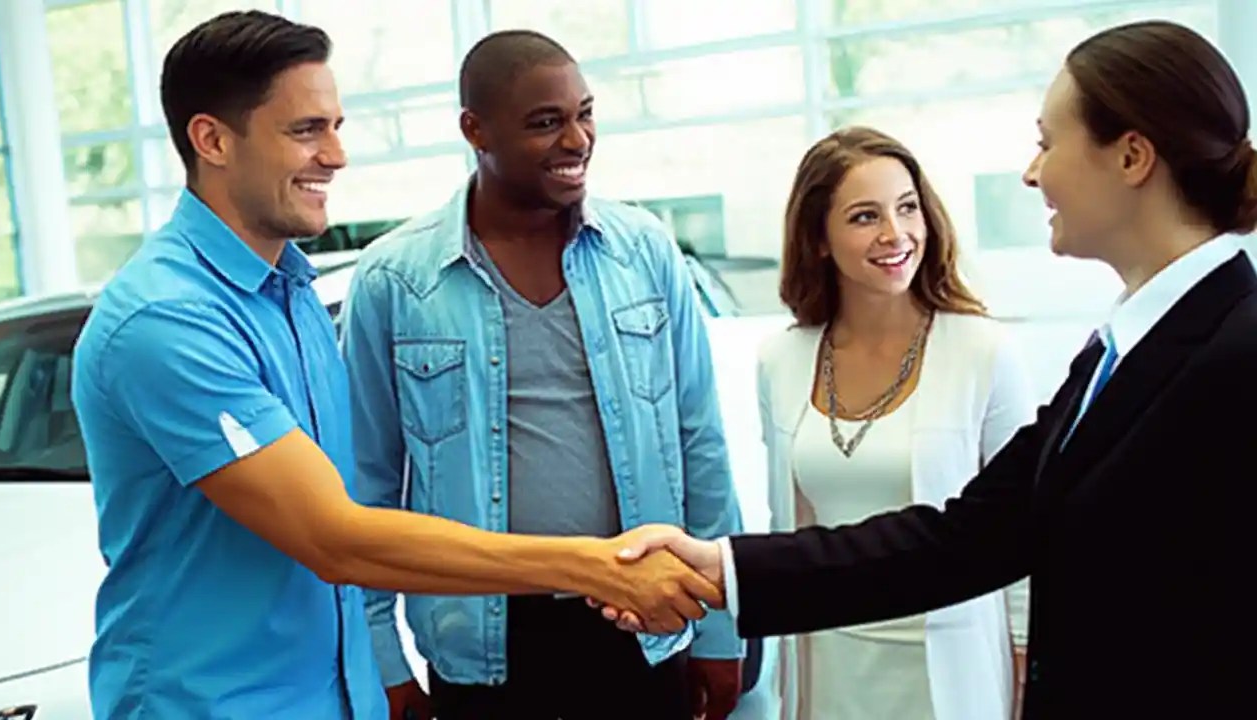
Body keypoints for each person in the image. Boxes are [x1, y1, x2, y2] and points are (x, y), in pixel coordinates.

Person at [602, 19, 1257, 720]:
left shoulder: (1237, 355)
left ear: (1131, 157)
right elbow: (967, 538)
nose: (1033, 172)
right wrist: (723, 568)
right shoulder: (1115, 352)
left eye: (1046, 142)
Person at [71, 12, 718, 720]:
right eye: (306, 130)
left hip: (332, 699)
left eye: (336, 125)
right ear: (212, 139)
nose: (337, 155)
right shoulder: (166, 320)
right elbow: (337, 535)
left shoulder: (291, 296)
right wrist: (597, 566)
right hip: (211, 704)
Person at [341, 29, 745, 720]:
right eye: (545, 123)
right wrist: (379, 653)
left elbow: (698, 441)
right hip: (481, 645)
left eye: (584, 114)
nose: (577, 140)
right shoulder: (395, 280)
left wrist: (720, 627)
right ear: (476, 130)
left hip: (643, 621)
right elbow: (365, 487)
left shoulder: (643, 251)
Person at [752, 126, 1034, 720]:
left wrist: (1023, 671)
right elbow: (787, 530)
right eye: (864, 216)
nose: (895, 234)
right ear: (818, 239)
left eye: (907, 208)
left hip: (950, 672)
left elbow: (1024, 532)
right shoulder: (782, 360)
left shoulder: (982, 349)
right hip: (830, 666)